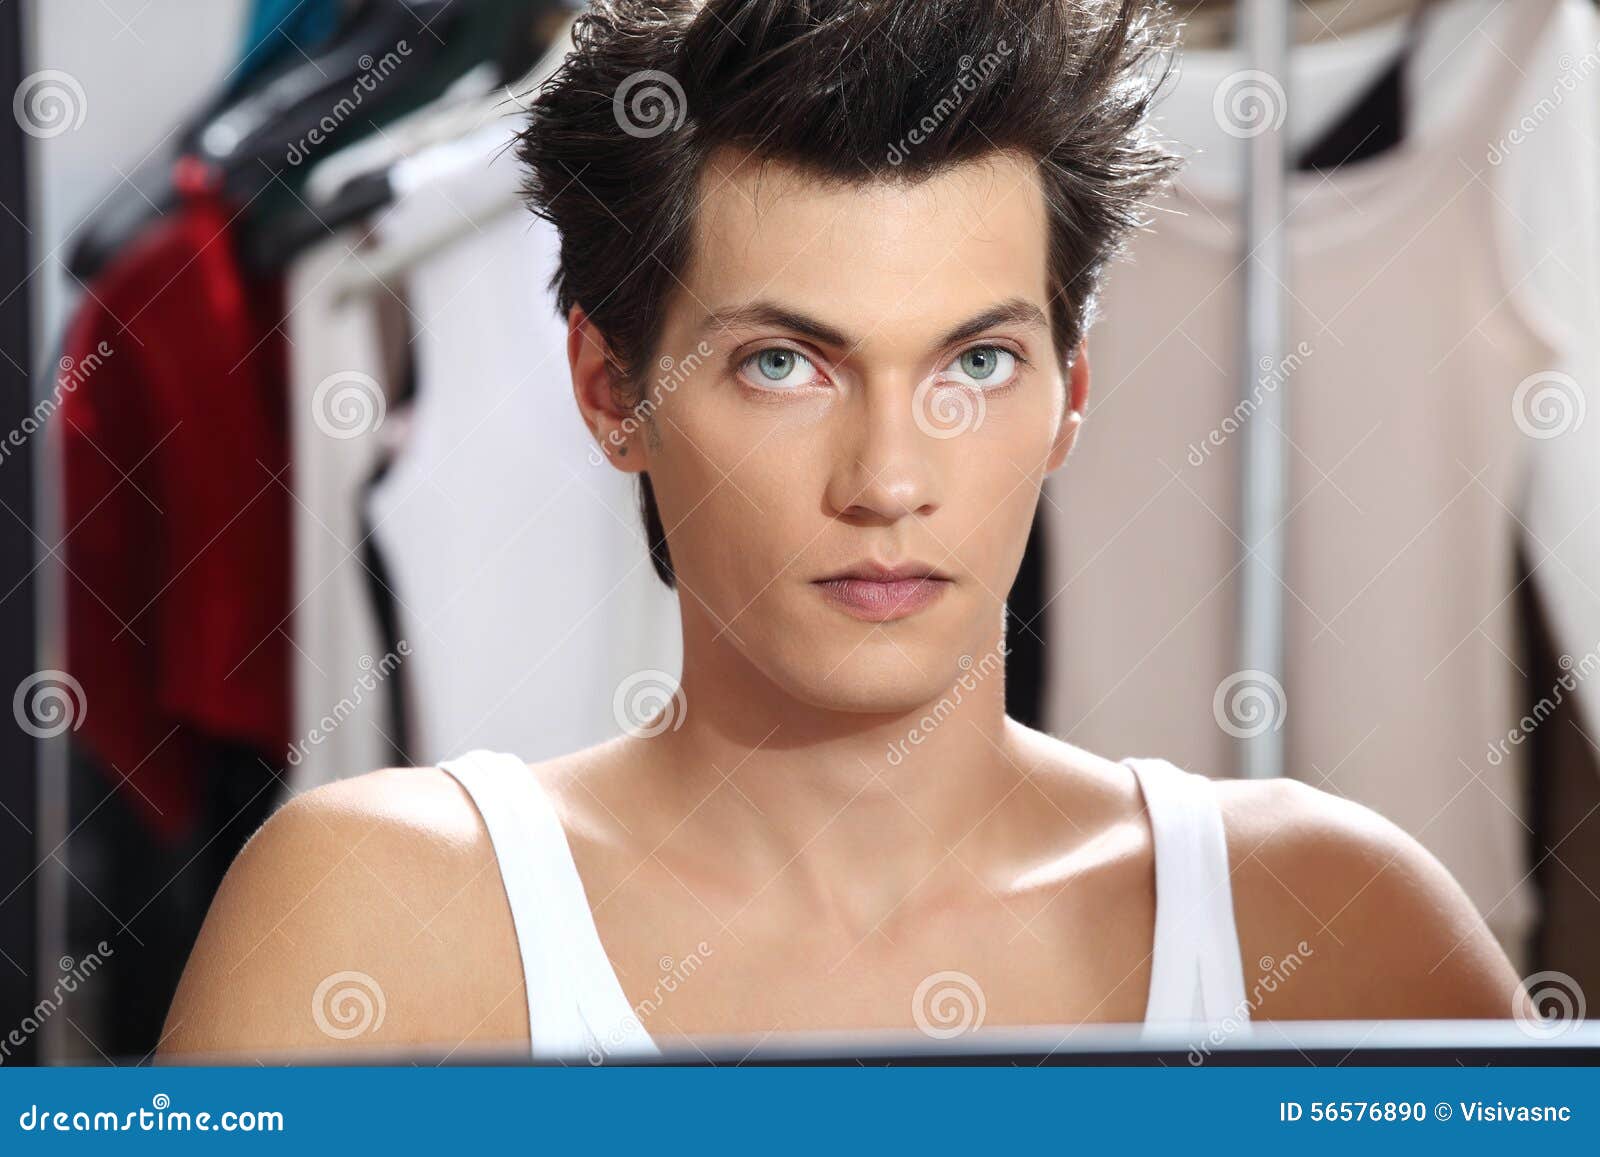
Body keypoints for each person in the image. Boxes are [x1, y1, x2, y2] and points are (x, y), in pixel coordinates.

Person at [159, 0, 1532, 1061]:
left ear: (1070, 395)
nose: (887, 480)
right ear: (612, 391)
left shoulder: (1328, 921)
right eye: (785, 365)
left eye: (975, 364)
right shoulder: (385, 916)